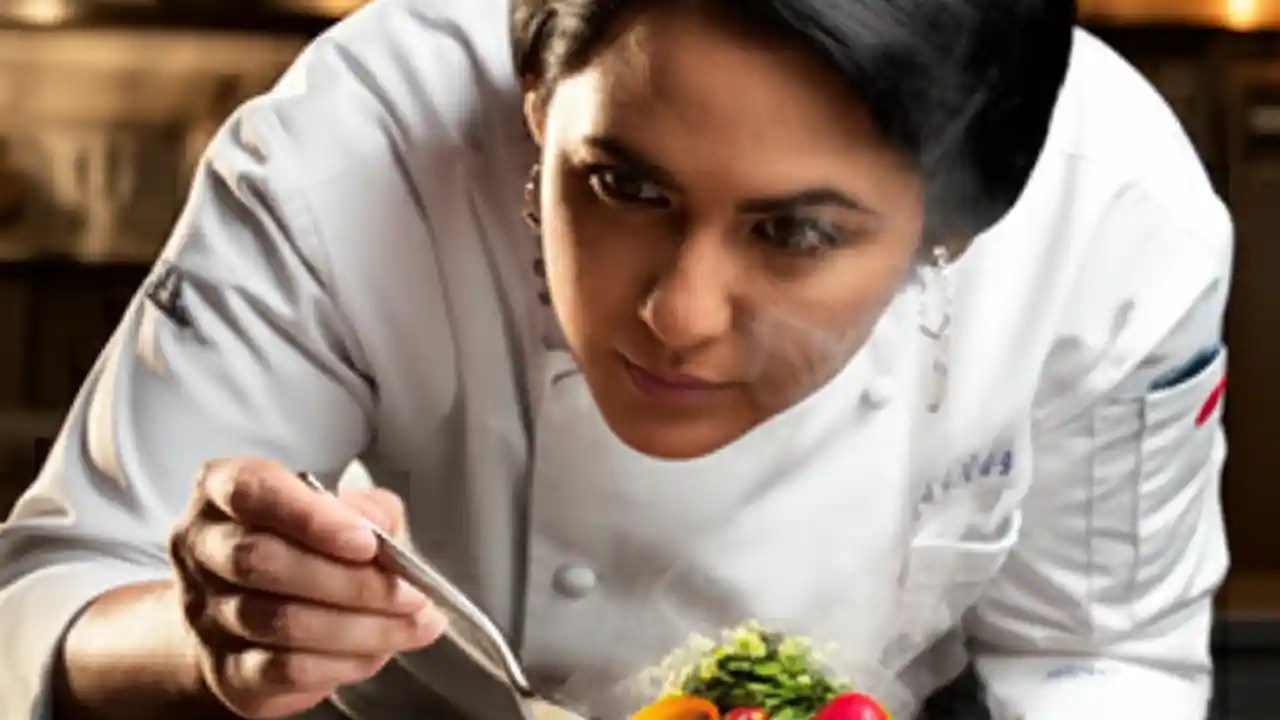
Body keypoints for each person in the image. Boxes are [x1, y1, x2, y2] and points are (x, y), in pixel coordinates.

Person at [0, 0, 1234, 718]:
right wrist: (212, 636)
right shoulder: (357, 148)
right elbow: (43, 610)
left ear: (953, 231)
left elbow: (1099, 662)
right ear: (538, 103)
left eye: (795, 233)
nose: (675, 316)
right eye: (622, 186)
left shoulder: (1114, 221)